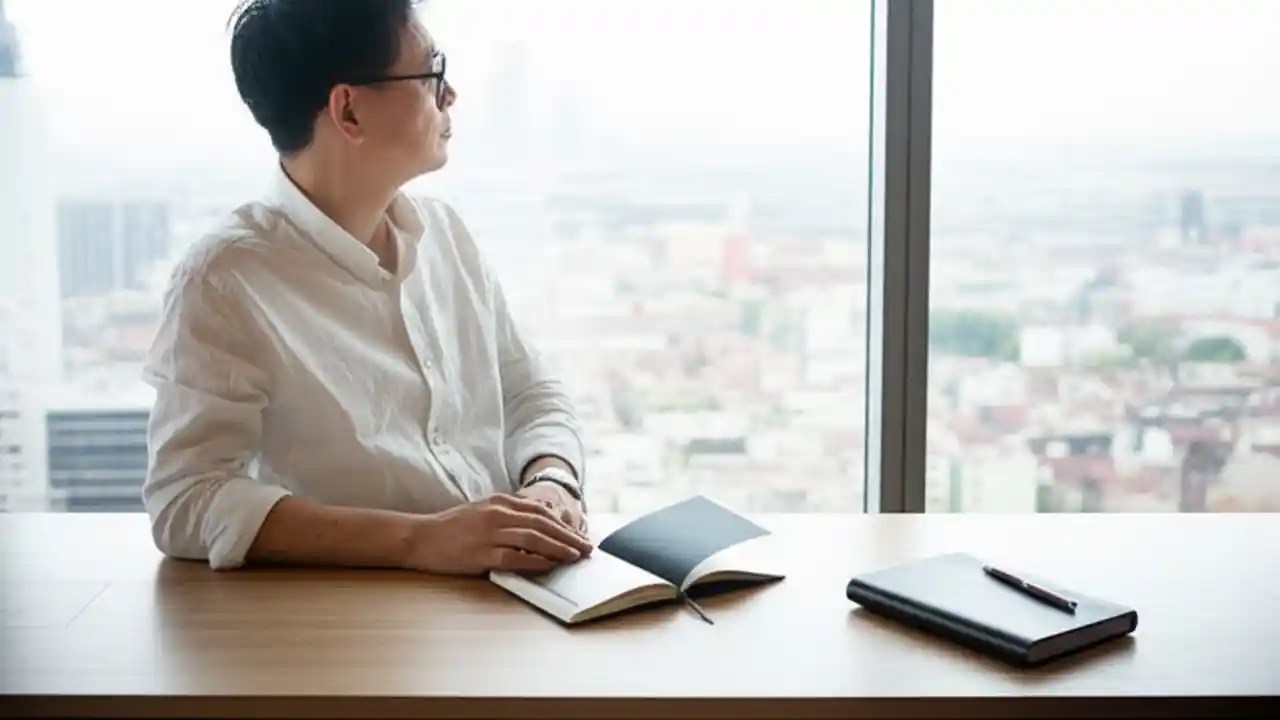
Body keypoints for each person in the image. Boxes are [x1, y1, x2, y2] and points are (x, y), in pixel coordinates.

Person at [141, 0, 593, 574]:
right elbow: (185, 500)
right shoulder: (226, 280)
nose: (449, 95)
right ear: (348, 110)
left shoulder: (446, 237)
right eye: (432, 73)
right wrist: (422, 540)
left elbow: (530, 394)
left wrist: (551, 483)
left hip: (509, 600)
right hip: (349, 627)